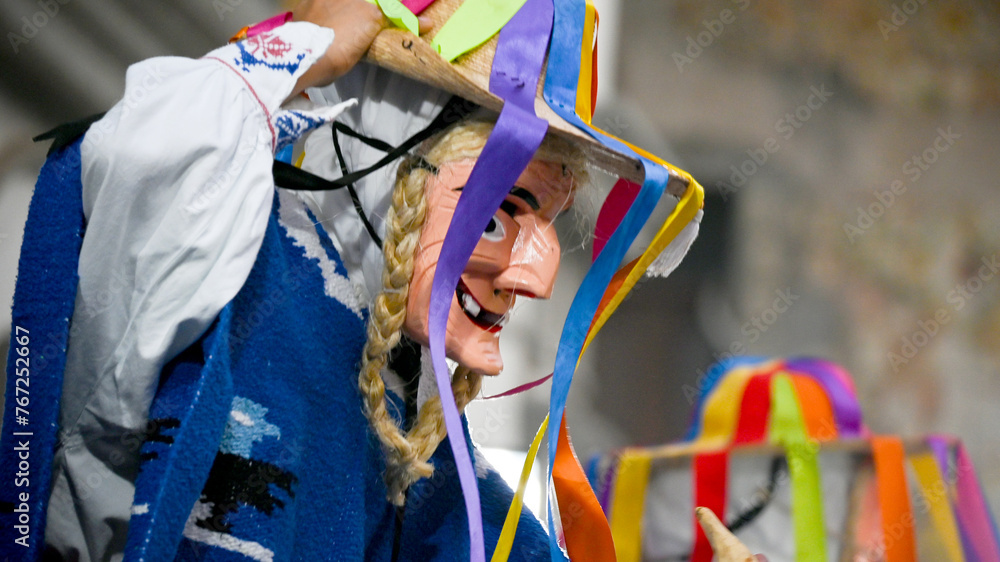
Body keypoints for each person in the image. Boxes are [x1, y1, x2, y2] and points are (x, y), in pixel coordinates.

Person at [0, 0, 592, 560]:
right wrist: (298, 51)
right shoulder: (232, 252)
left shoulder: (407, 407)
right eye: (495, 215)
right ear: (387, 158)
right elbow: (137, 159)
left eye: (548, 219)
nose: (538, 280)